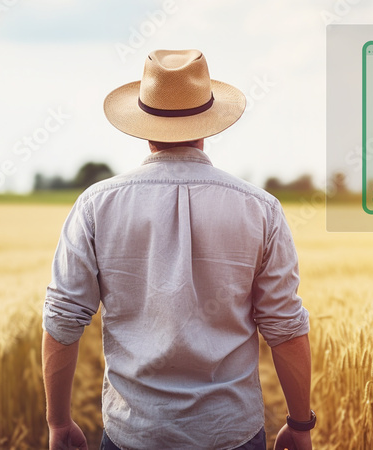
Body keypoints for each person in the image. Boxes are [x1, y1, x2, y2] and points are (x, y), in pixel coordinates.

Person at [41, 48, 314, 450]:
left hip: (133, 433)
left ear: (143, 122)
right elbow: (286, 329)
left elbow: (62, 322)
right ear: (208, 121)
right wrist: (299, 425)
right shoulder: (261, 209)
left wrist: (58, 423)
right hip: (231, 432)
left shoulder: (97, 205)